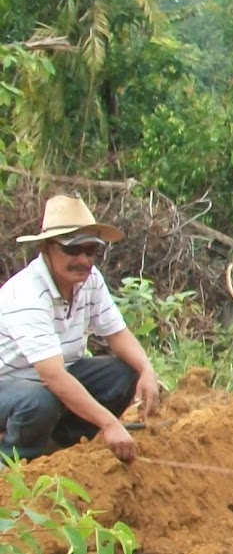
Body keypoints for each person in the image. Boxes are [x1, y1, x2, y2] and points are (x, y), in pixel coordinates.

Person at [0, 196, 161, 463]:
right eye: (73, 249)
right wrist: (109, 423)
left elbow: (117, 333)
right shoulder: (26, 294)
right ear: (47, 248)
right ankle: (12, 466)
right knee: (39, 402)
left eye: (91, 250)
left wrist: (147, 370)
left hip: (55, 378)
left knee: (124, 372)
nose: (84, 259)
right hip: (10, 385)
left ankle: (62, 446)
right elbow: (52, 376)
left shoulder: (90, 279)